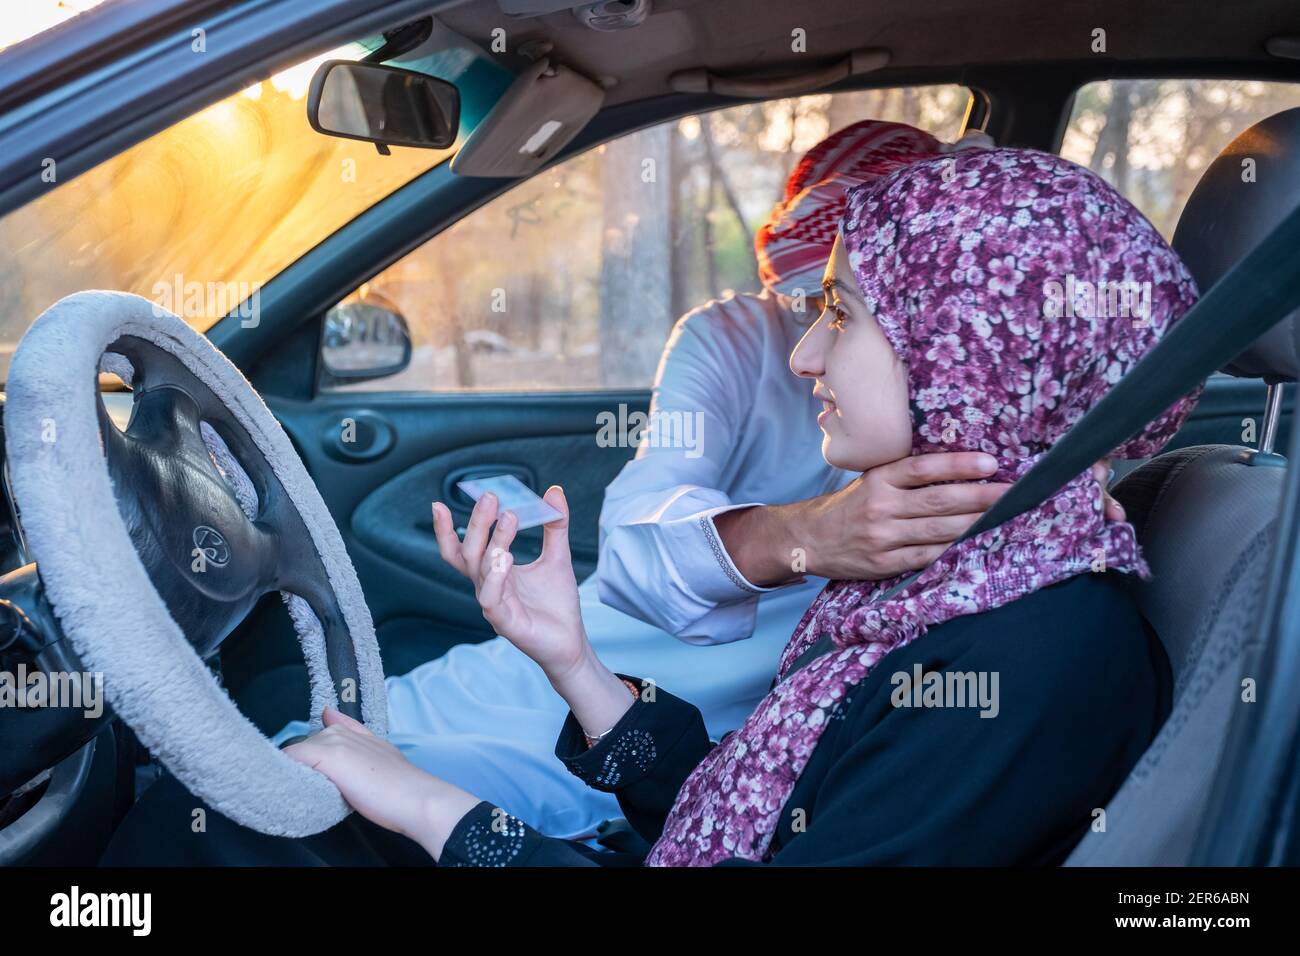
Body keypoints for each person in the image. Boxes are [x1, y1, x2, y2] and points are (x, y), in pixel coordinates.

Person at [103, 146, 1199, 866]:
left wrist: (435, 810)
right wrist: (574, 664)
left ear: (976, 354)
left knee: (211, 837)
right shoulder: (958, 579)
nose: (806, 350)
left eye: (847, 315)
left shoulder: (1031, 655)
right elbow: (743, 802)